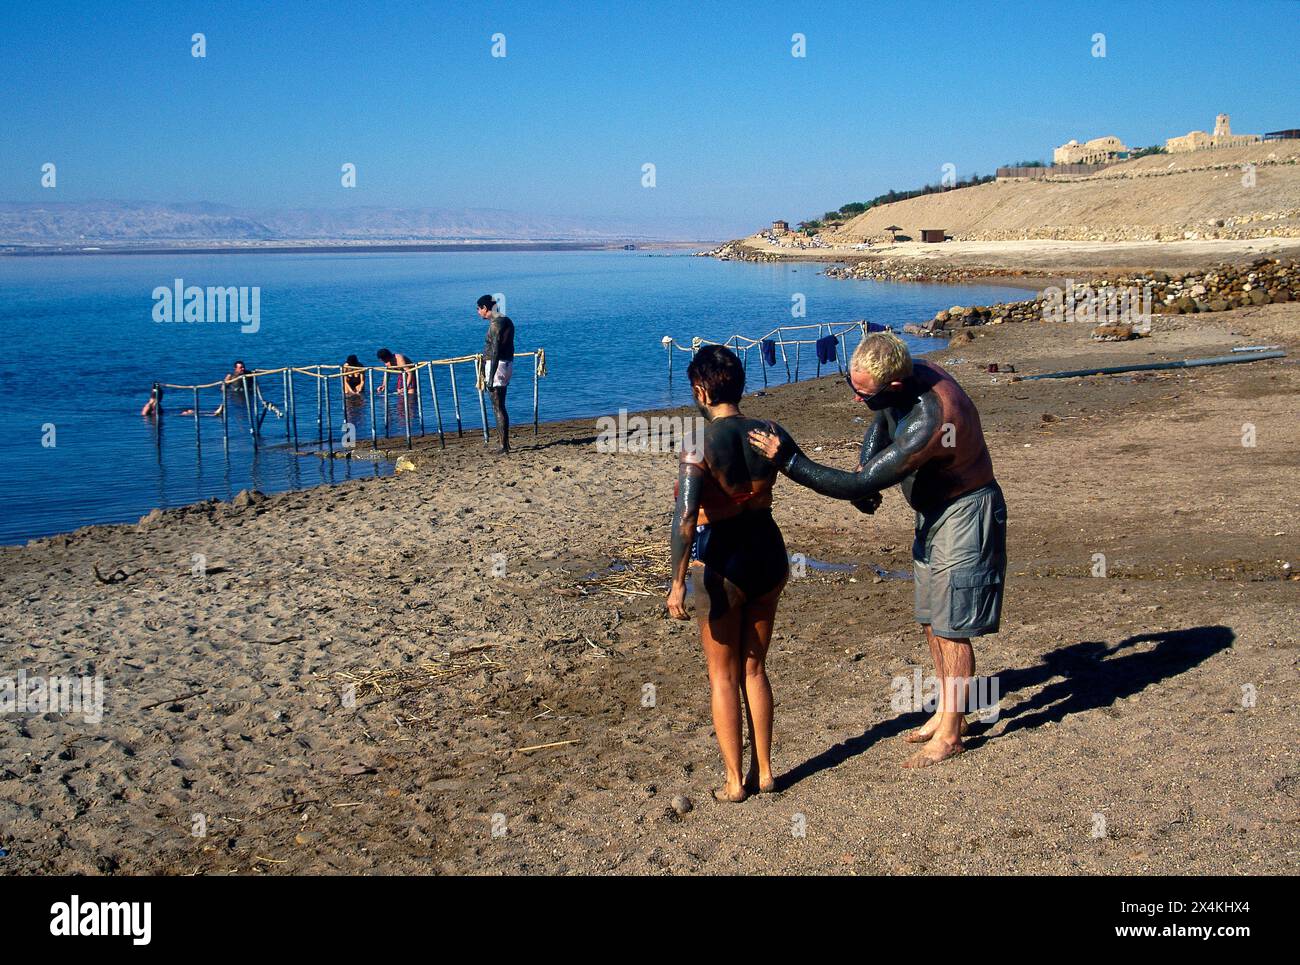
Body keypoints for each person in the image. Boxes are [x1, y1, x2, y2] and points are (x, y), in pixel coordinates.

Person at [748, 331, 1007, 768]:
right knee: (931, 618)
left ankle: (951, 734)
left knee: (951, 625)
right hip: (933, 513)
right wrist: (865, 465)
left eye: (862, 393)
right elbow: (879, 423)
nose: (855, 399)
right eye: (852, 386)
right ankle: (949, 713)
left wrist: (790, 460)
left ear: (896, 385)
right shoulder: (905, 378)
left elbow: (860, 484)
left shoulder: (931, 419)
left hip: (965, 513)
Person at [668, 345, 790, 803]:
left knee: (723, 677)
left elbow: (684, 520)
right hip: (767, 553)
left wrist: (677, 581)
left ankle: (735, 782)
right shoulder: (769, 433)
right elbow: (813, 474)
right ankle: (767, 773)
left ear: (701, 390)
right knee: (755, 668)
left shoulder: (698, 443)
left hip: (722, 561)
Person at [477, 294, 515, 454]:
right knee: (500, 406)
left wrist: (490, 376)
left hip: (497, 365)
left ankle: (503, 446)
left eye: (478, 309)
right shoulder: (506, 320)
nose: (478, 312)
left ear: (485, 308)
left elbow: (495, 349)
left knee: (497, 406)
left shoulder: (496, 323)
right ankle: (504, 443)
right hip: (505, 364)